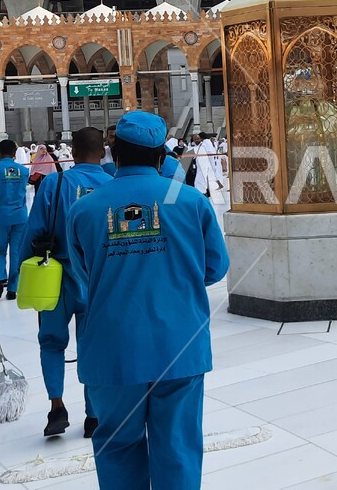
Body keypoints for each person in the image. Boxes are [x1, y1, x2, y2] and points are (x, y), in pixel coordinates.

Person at [66, 112, 228, 490]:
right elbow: (215, 268)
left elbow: (84, 273)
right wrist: (174, 275)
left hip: (113, 349)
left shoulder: (87, 207)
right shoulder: (187, 201)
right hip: (179, 345)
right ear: (161, 158)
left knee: (118, 444)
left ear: (114, 153)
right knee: (177, 446)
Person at [18, 127, 113, 438]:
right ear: (103, 152)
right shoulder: (113, 186)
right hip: (97, 280)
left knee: (52, 342)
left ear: (72, 152)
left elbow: (33, 231)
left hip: (55, 277)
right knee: (95, 346)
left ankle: (57, 405)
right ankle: (94, 414)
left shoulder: (55, 184)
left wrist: (20, 275)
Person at [0, 140, 30, 301]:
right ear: (15, 153)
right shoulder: (23, 170)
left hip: (0, 216)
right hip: (20, 216)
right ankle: (13, 289)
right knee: (16, 252)